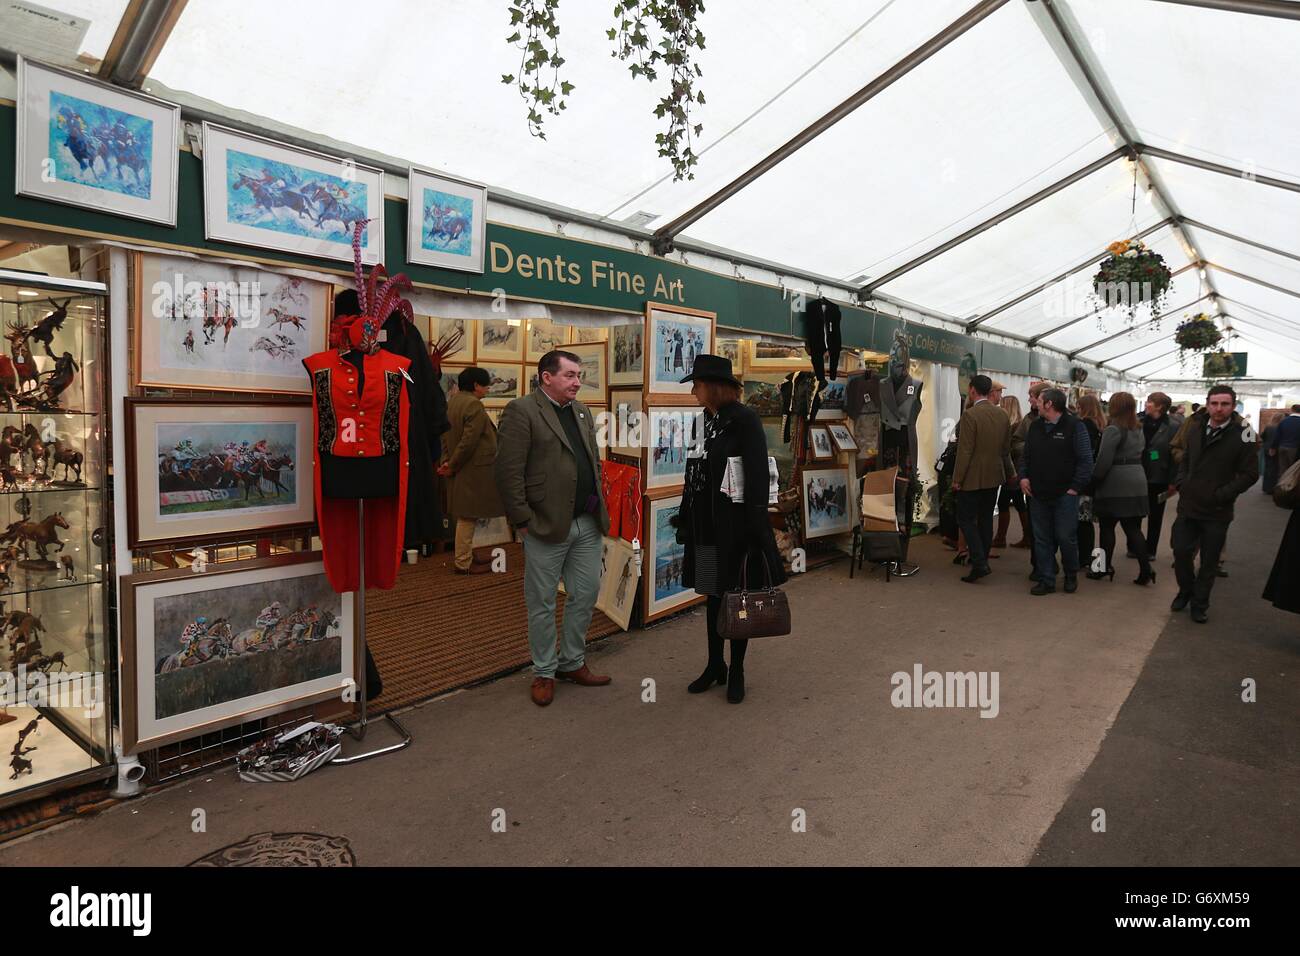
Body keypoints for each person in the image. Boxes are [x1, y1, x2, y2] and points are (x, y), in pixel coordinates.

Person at [494, 350, 611, 706]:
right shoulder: (522, 411)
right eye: (570, 375)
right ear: (547, 377)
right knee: (542, 602)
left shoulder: (581, 411)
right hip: (544, 524)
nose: (578, 382)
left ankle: (571, 662)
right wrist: (522, 521)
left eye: (579, 375)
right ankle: (544, 671)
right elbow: (507, 471)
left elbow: (591, 460)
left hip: (586, 523)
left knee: (586, 593)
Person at [674, 354, 786, 704]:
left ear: (714, 386)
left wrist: (757, 529)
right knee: (712, 595)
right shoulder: (701, 423)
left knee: (738, 599)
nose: (693, 391)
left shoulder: (745, 421)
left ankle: (736, 669)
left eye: (697, 384)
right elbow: (692, 476)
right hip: (705, 530)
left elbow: (756, 477)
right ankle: (714, 665)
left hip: (736, 530)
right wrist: (684, 516)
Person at [1169, 385, 1258, 623]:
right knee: (1180, 552)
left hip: (1217, 510)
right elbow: (1186, 458)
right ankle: (1185, 590)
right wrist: (1182, 482)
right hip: (1189, 504)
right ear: (1208, 404)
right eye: (1215, 403)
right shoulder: (1196, 427)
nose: (1219, 409)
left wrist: (1222, 495)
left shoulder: (1244, 433)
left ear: (1233, 406)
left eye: (1225, 404)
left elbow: (1250, 474)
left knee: (1209, 561)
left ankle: (1199, 603)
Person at [1018, 388, 1094, 595]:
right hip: (1038, 493)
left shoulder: (1075, 426)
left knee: (1065, 537)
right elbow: (1026, 456)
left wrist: (1074, 488)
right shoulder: (1035, 427)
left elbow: (1086, 460)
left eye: (1039, 401)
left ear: (1049, 404)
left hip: (1064, 495)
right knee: (1042, 538)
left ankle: (1070, 575)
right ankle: (1047, 579)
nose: (1036, 404)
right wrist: (1023, 477)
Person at [440, 367, 504, 574]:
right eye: (485, 385)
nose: (487, 389)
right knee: (468, 516)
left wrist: (447, 461)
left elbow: (445, 437)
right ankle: (463, 562)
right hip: (472, 468)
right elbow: (469, 441)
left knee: (466, 514)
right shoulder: (474, 405)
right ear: (476, 385)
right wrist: (452, 465)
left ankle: (465, 554)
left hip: (461, 467)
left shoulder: (453, 402)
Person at [951, 374, 1014, 583]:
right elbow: (1006, 450)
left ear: (972, 390)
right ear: (989, 391)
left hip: (972, 476)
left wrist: (957, 478)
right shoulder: (1003, 415)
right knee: (986, 518)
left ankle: (979, 562)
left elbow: (965, 451)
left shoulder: (970, 415)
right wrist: (1010, 473)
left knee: (966, 519)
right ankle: (982, 559)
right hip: (994, 475)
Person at [1090, 392, 1153, 585]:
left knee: (1107, 528)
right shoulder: (1138, 428)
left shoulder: (1113, 429)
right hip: (1137, 480)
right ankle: (1146, 569)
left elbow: (1103, 461)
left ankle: (1102, 567)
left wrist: (1092, 482)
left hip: (1115, 482)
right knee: (1133, 528)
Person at [1012, 382, 1052, 577]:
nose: (1029, 399)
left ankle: (1049, 564)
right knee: (1037, 524)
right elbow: (1017, 441)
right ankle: (1038, 565)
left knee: (1054, 528)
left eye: (1032, 396)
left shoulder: (1064, 421)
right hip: (1034, 479)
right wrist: (1029, 448)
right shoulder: (1028, 420)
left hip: (1055, 482)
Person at [1139, 392, 1181, 559]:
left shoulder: (1173, 426)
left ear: (1160, 406)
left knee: (1155, 515)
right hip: (1138, 474)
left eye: (1150, 402)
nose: (1147, 404)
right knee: (1134, 513)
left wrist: (1173, 482)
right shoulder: (1139, 421)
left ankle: (1150, 550)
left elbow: (1174, 456)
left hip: (1160, 477)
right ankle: (1134, 546)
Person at [1075, 394, 1106, 573]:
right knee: (1086, 520)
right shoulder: (1101, 425)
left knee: (1082, 520)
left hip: (1084, 479)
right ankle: (1088, 556)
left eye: (1079, 406)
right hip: (1093, 479)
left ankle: (1084, 557)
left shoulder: (1085, 425)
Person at [995, 395, 1029, 548]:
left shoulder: (1013, 426)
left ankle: (1001, 538)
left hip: (1012, 471)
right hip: (1016, 470)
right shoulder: (1020, 424)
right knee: (1019, 503)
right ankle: (1027, 537)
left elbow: (1009, 450)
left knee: (1004, 502)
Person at [1268, 404, 1300, 477]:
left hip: (1282, 447)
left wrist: (1273, 448)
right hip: (1295, 449)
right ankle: (1290, 487)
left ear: (1292, 410)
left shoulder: (1284, 421)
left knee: (1282, 469)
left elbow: (1277, 436)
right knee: (1293, 470)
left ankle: (1281, 486)